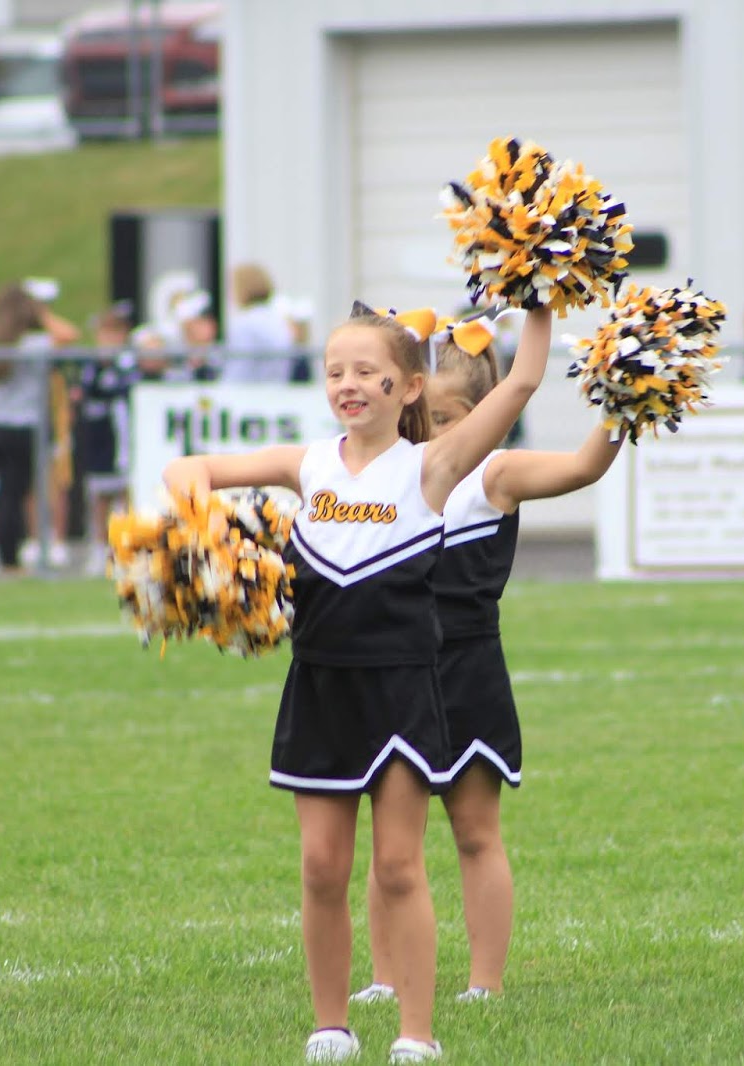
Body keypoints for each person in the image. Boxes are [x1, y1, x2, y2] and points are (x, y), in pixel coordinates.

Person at [162, 303, 552, 1064]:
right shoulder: (309, 464)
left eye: (369, 373)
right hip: (321, 687)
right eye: (336, 371)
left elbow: (524, 382)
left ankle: (416, 1032)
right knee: (320, 867)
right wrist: (198, 517)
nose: (350, 385)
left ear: (408, 388)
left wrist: (536, 304)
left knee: (399, 865)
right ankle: (331, 1024)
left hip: (403, 688)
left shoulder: (432, 466)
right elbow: (191, 469)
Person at [352, 330, 624, 1007]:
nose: (436, 434)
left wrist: (625, 399)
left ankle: (485, 984)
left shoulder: (495, 474)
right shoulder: (392, 474)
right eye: (425, 420)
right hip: (396, 672)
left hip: (469, 671)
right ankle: (385, 978)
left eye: (450, 420)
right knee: (392, 845)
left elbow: (585, 467)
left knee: (475, 832)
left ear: (489, 415)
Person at [0, 279, 80, 575]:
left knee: (7, 492)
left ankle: (8, 552)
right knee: (18, 492)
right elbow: (69, 334)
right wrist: (41, 313)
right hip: (26, 427)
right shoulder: (33, 344)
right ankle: (10, 556)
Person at [73, 301, 140, 576]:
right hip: (97, 437)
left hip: (121, 436)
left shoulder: (126, 363)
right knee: (99, 493)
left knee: (124, 492)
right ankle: (99, 547)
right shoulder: (92, 365)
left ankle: (126, 547)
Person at [221, 263, 297, 384]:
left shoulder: (244, 322)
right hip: (276, 390)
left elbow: (239, 368)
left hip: (249, 393)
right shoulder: (278, 319)